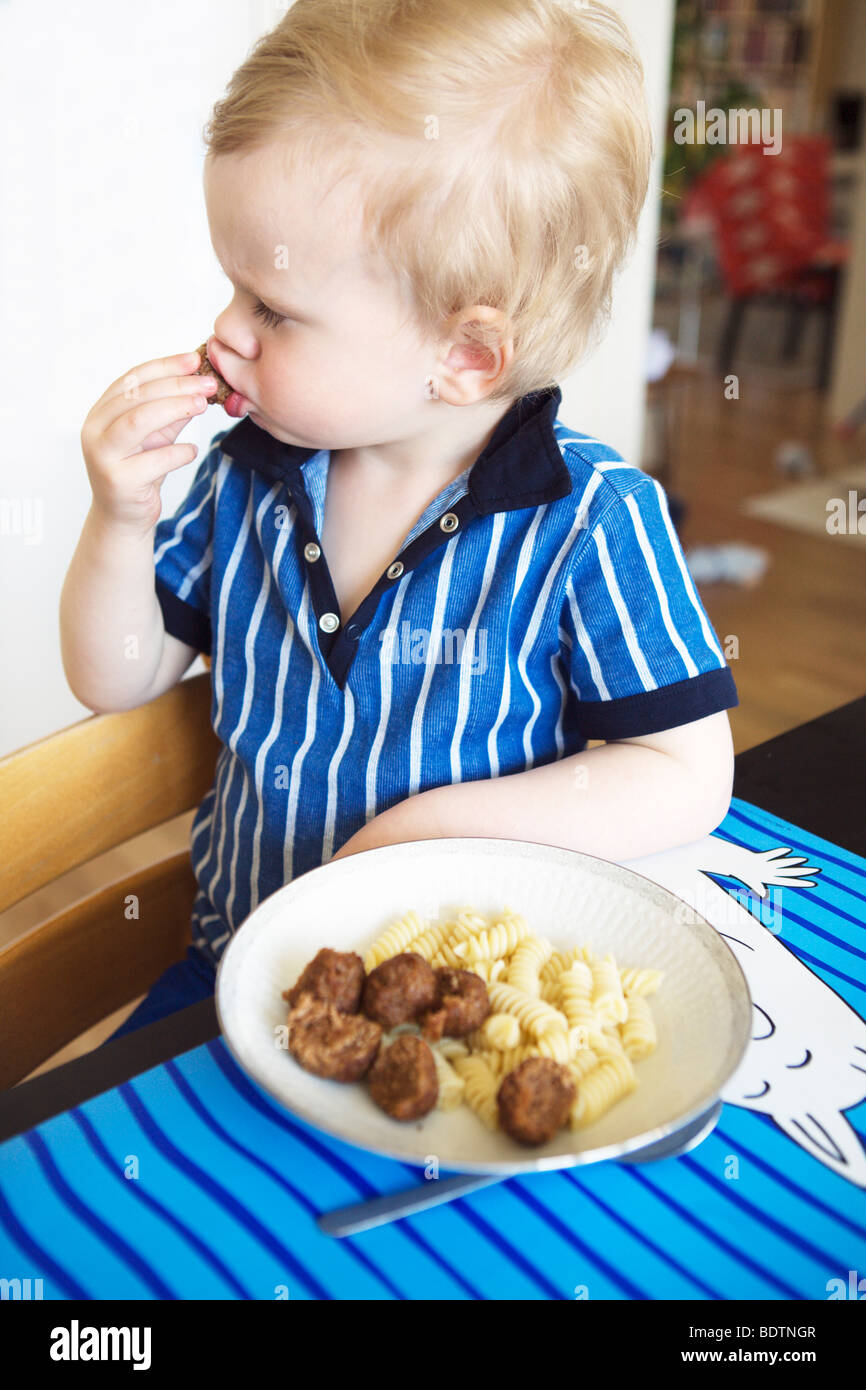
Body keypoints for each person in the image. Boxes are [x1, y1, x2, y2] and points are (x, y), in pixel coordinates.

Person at [60, 0, 737, 1040]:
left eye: (273, 309)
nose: (223, 331)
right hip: (231, 970)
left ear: (464, 355)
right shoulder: (250, 476)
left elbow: (685, 773)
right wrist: (119, 513)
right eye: (231, 287)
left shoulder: (592, 520)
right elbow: (116, 674)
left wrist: (422, 833)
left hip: (455, 1013)